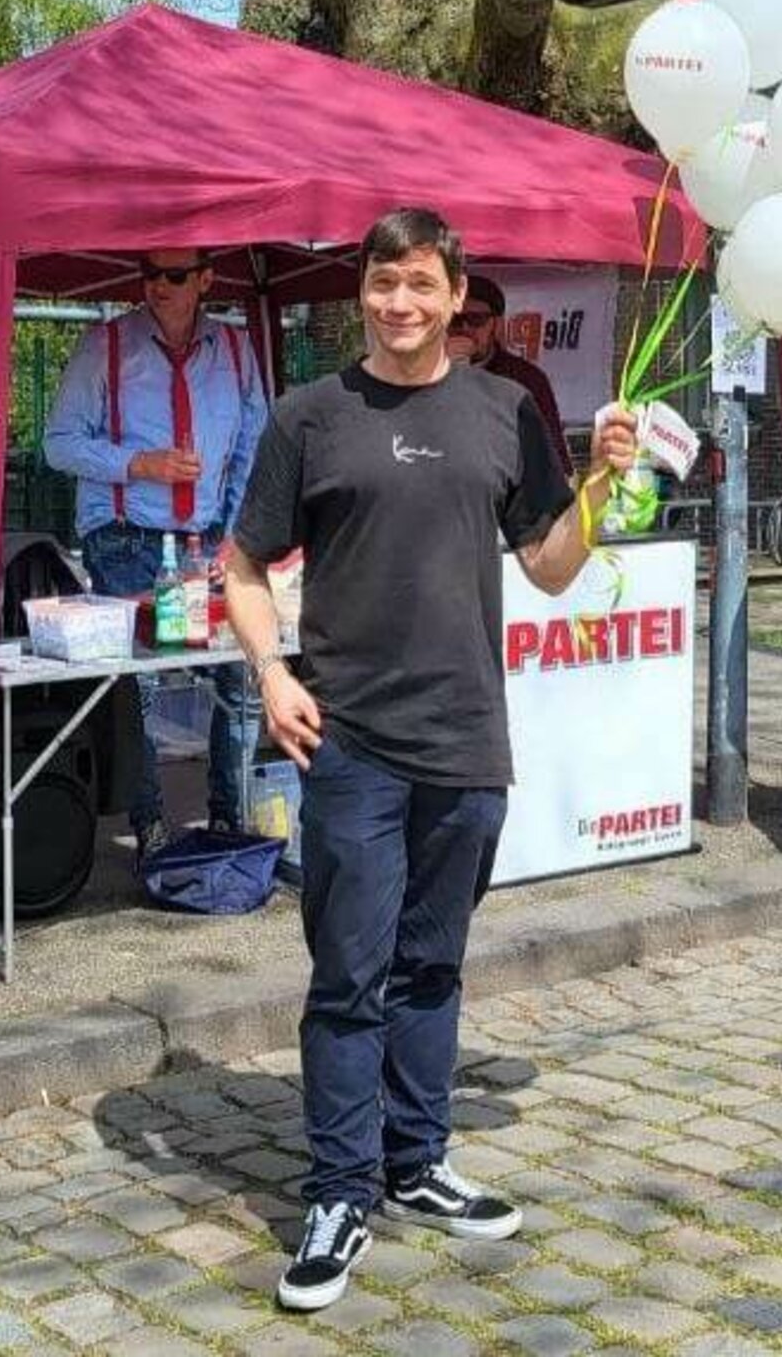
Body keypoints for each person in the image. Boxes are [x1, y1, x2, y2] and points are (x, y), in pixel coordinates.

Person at [221, 207, 636, 1315]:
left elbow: (548, 568)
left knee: (433, 964)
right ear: (360, 293)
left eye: (418, 284)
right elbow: (241, 563)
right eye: (380, 283)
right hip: (350, 739)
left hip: (465, 737)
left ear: (457, 298)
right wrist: (271, 672)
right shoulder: (309, 416)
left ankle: (416, 1160)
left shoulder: (503, 410)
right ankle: (338, 1190)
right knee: (347, 974)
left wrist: (594, 480)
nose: (397, 303)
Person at [44, 247, 270, 859]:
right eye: (148, 274)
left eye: (173, 276)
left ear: (205, 280)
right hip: (126, 539)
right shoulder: (106, 346)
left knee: (242, 675)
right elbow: (57, 444)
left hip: (207, 542)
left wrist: (237, 529)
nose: (158, 287)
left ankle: (232, 820)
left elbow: (255, 441)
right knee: (138, 688)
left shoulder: (233, 350)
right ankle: (152, 830)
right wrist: (136, 464)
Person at [446, 273, 573, 477]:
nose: (465, 329)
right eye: (455, 320)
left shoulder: (526, 379)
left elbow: (553, 459)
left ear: (496, 324)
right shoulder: (422, 375)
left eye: (477, 320)